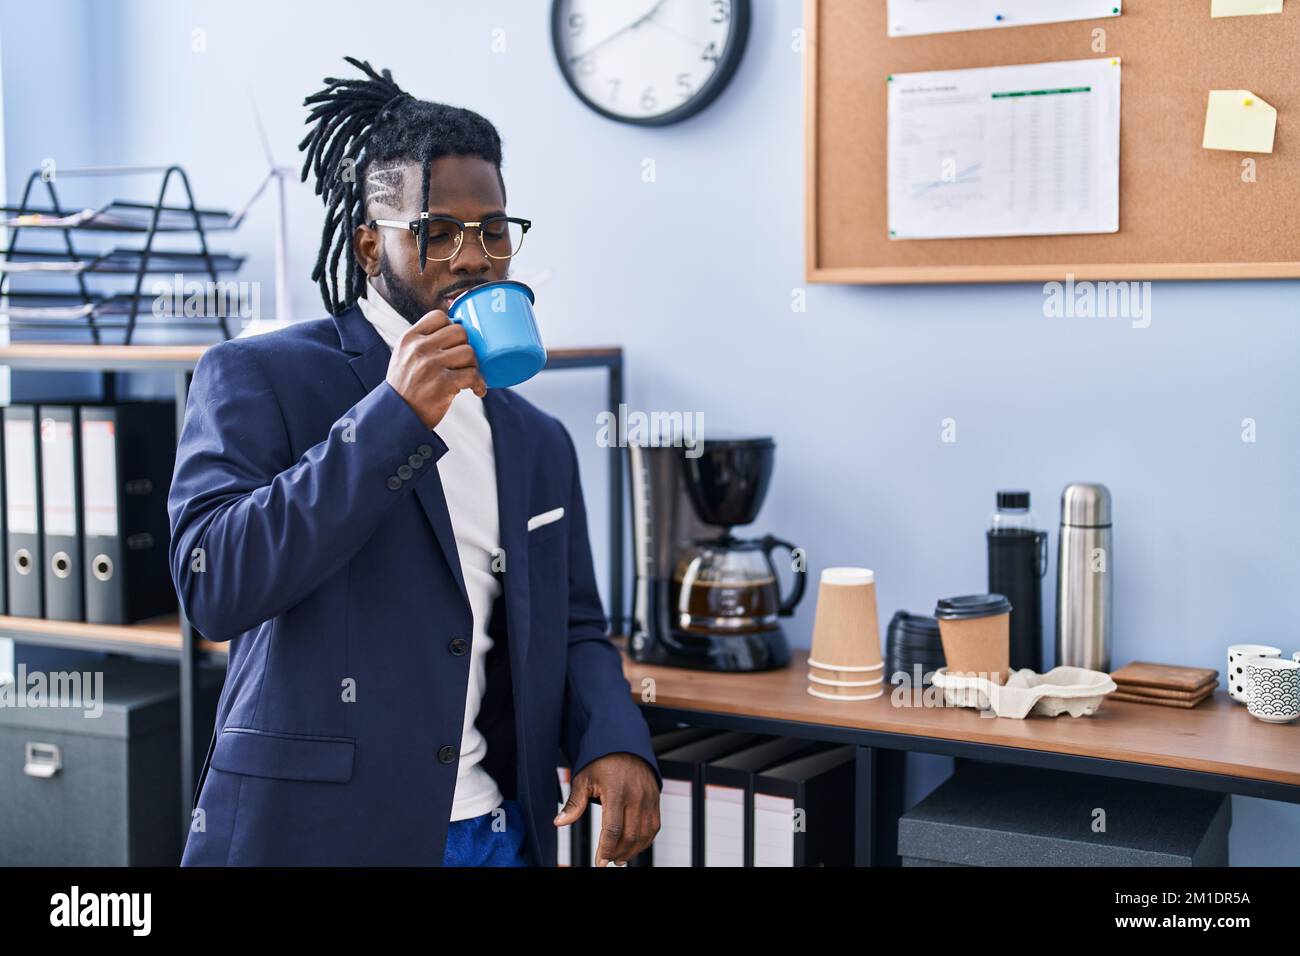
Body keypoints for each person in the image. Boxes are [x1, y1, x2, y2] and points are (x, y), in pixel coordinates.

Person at [169, 57, 661, 866]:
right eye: (437, 232)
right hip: (315, 837)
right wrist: (394, 417)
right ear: (370, 246)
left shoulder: (537, 438)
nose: (474, 257)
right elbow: (214, 587)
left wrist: (616, 735)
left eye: (493, 229)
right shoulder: (261, 375)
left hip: (492, 827)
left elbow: (575, 626)